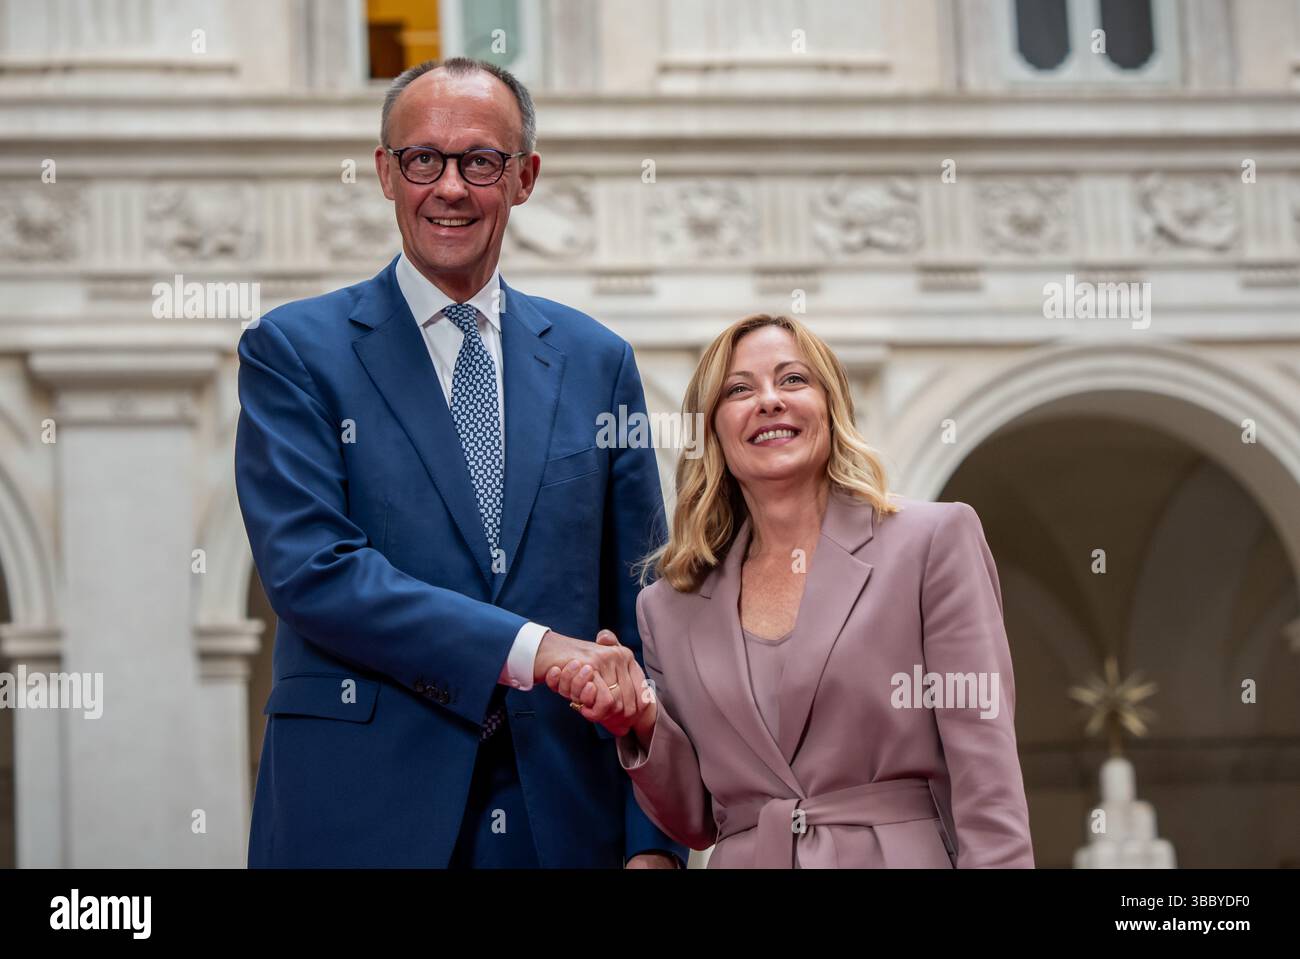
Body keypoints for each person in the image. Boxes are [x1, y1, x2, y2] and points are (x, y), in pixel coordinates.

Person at [236, 57, 684, 868]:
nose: (450, 187)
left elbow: (644, 610)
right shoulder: (295, 352)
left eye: (481, 161)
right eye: (423, 159)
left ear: (524, 178)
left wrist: (654, 842)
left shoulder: (598, 360)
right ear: (385, 172)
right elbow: (313, 572)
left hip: (563, 821)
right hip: (361, 816)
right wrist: (534, 647)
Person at [550, 314, 1035, 867]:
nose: (769, 401)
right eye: (739, 390)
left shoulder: (933, 542)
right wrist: (638, 721)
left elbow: (985, 772)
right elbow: (695, 819)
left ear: (831, 407)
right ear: (712, 431)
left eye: (793, 380)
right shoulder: (667, 608)